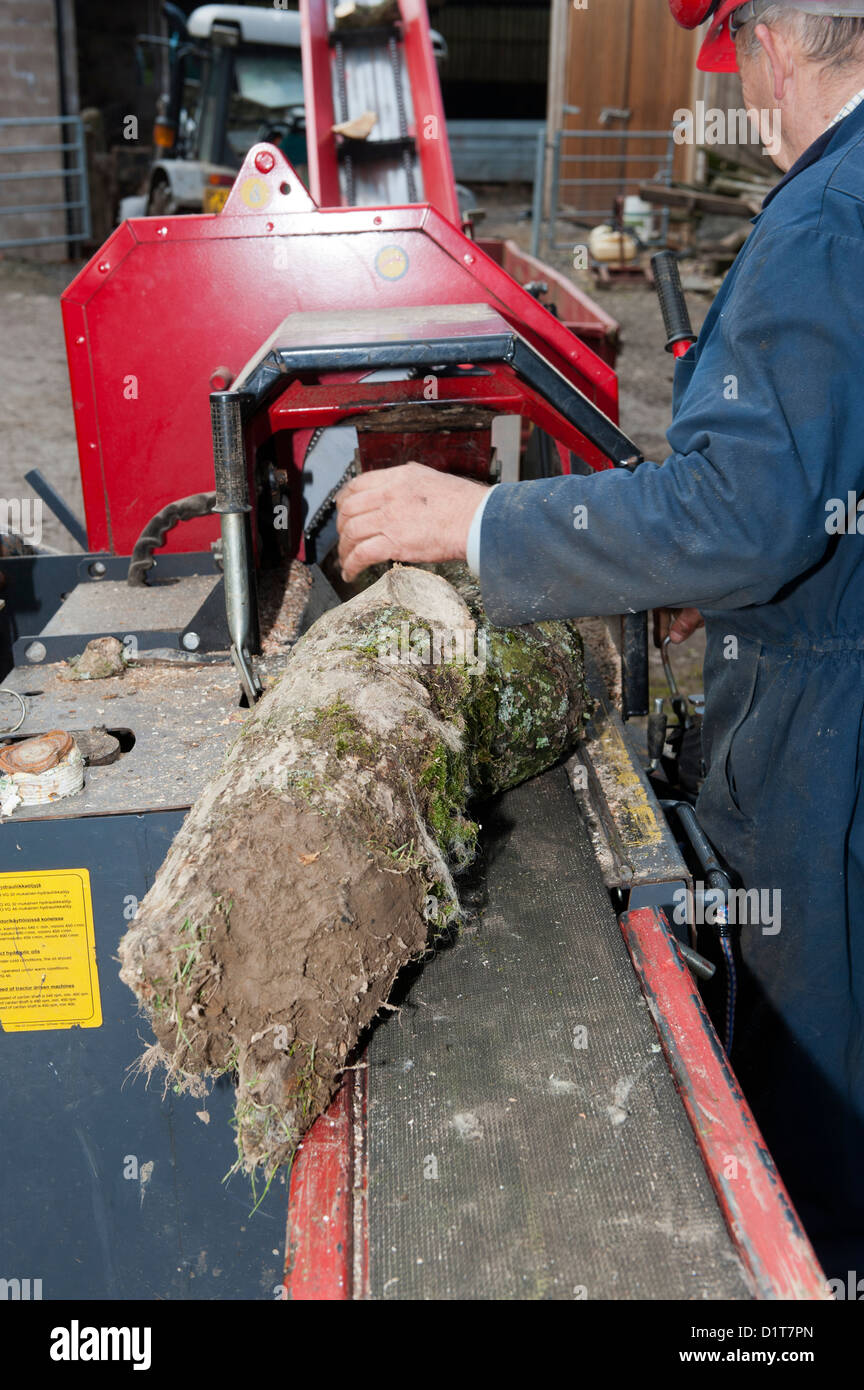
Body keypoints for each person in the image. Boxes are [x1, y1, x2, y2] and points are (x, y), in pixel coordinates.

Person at [335, 0, 864, 1275]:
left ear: (768, 48)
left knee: (819, 1114)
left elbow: (746, 507)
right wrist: (740, 585)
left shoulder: (826, 219)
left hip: (829, 752)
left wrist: (480, 524)